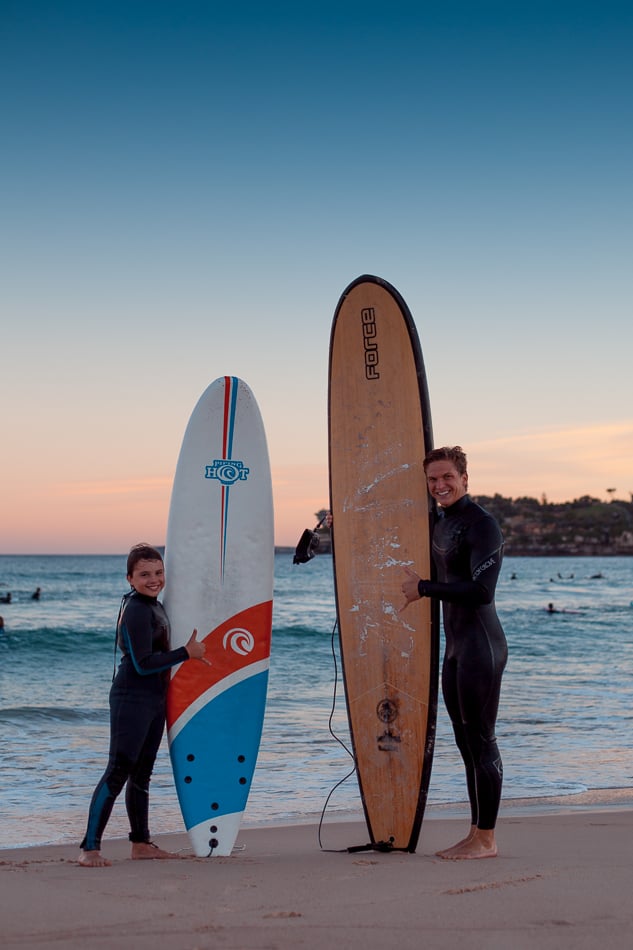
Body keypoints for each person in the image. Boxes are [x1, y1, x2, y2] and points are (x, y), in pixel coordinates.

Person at [400, 446, 507, 860]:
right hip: (457, 649)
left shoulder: (482, 525)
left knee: (482, 742)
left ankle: (487, 839)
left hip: (482, 647)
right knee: (466, 745)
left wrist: (424, 588)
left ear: (464, 478)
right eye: (432, 479)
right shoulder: (441, 522)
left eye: (447, 477)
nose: (440, 485)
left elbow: (482, 592)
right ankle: (476, 832)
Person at [78, 543, 207, 867]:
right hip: (131, 698)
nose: (154, 579)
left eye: (159, 573)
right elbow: (143, 663)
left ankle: (141, 844)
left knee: (142, 773)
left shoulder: (155, 606)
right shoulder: (137, 609)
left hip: (154, 699)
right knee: (118, 770)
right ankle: (89, 849)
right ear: (130, 579)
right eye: (145, 574)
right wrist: (186, 653)